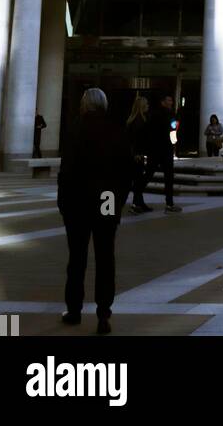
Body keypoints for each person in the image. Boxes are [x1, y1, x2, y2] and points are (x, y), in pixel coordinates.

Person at [57, 88, 134, 335]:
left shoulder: (75, 128)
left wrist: (63, 202)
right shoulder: (115, 129)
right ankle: (103, 313)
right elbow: (126, 170)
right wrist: (118, 200)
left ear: (84, 104)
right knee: (105, 256)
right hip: (107, 198)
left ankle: (74, 310)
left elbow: (66, 170)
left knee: (77, 258)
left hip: (78, 200)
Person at [147, 93, 182, 212]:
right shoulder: (170, 114)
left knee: (148, 174)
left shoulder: (153, 114)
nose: (171, 102)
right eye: (169, 100)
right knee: (168, 178)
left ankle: (137, 200)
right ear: (162, 102)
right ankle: (169, 204)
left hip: (155, 150)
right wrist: (174, 145)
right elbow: (173, 131)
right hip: (165, 150)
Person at [126, 94, 152, 213]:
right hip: (137, 155)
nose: (148, 106)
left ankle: (139, 203)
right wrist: (137, 153)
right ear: (142, 106)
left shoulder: (134, 120)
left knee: (138, 179)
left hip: (136, 154)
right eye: (146, 104)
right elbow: (135, 139)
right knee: (138, 180)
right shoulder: (139, 121)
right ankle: (136, 204)